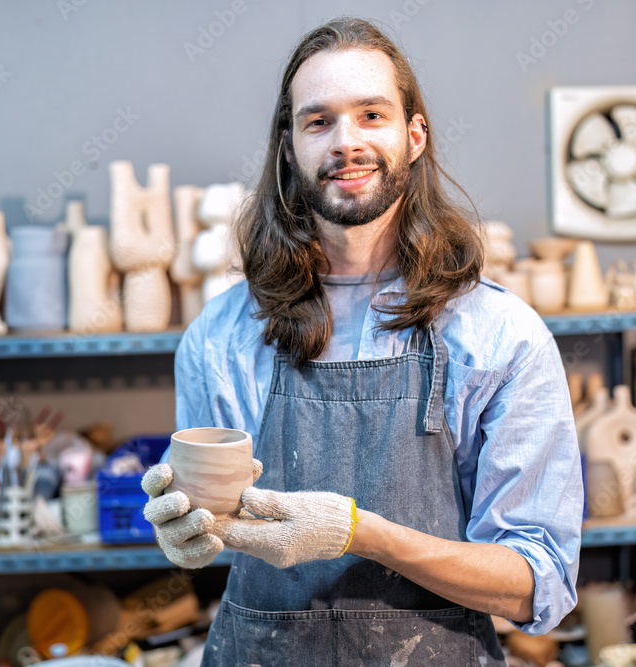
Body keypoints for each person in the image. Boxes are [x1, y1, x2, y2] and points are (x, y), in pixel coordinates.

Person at [142, 17, 583, 665]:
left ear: (415, 134)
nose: (346, 142)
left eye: (371, 115)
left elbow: (534, 585)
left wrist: (361, 533)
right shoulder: (221, 336)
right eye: (318, 122)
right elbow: (218, 525)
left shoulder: (499, 336)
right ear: (289, 147)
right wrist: (188, 531)